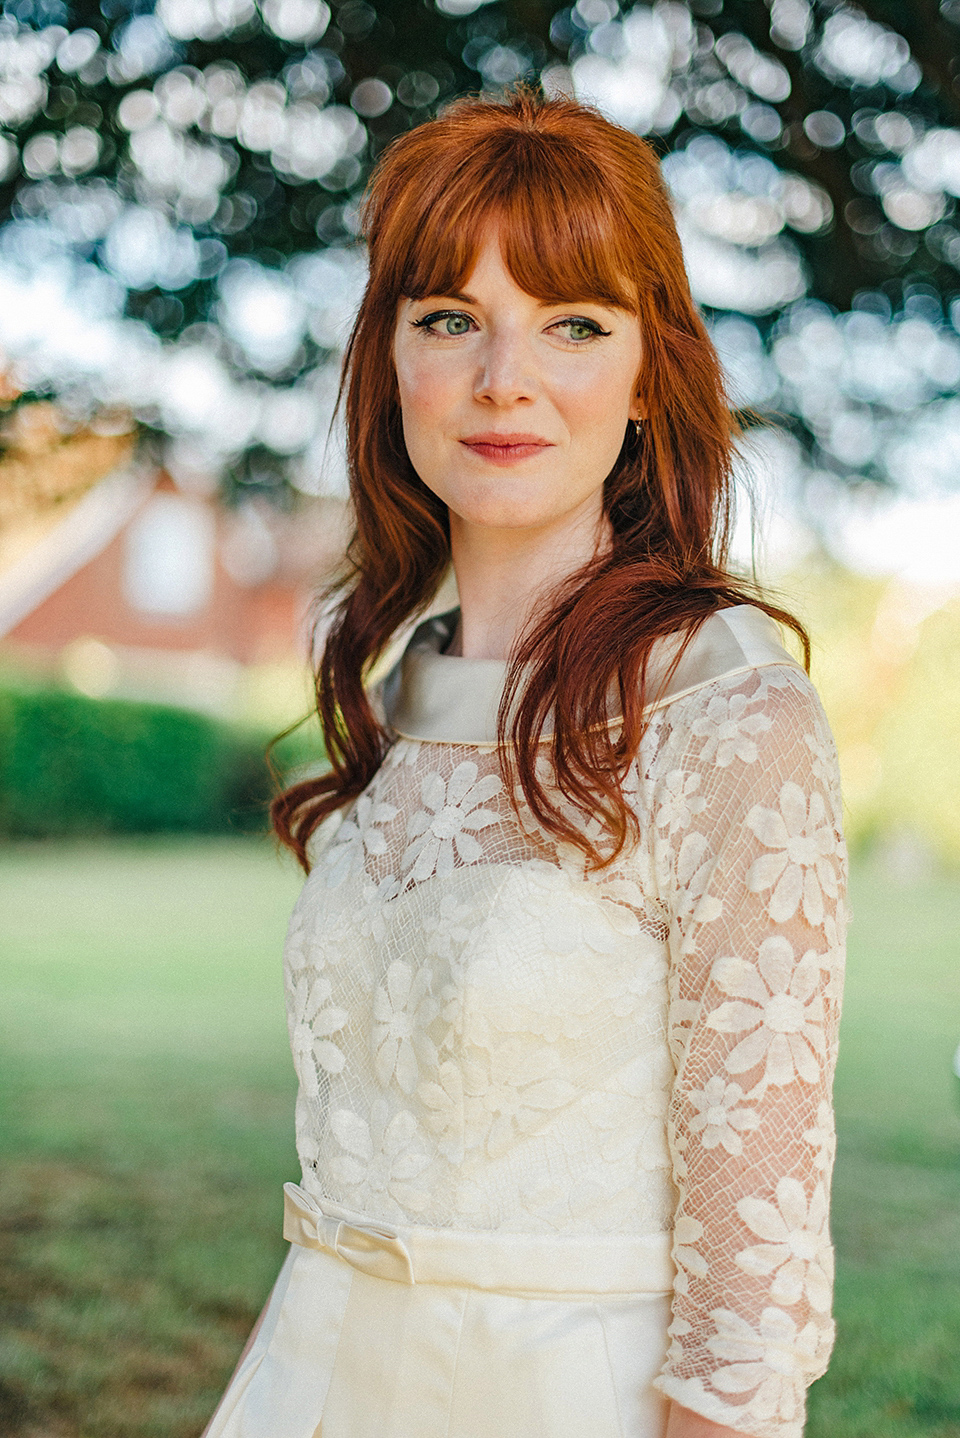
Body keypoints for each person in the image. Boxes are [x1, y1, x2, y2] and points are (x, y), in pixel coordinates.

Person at [204, 88, 846, 1438]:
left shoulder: (728, 709)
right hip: (313, 1375)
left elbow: (757, 1265)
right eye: (451, 320)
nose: (505, 379)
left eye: (573, 324)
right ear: (392, 360)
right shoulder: (402, 679)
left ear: (647, 372)